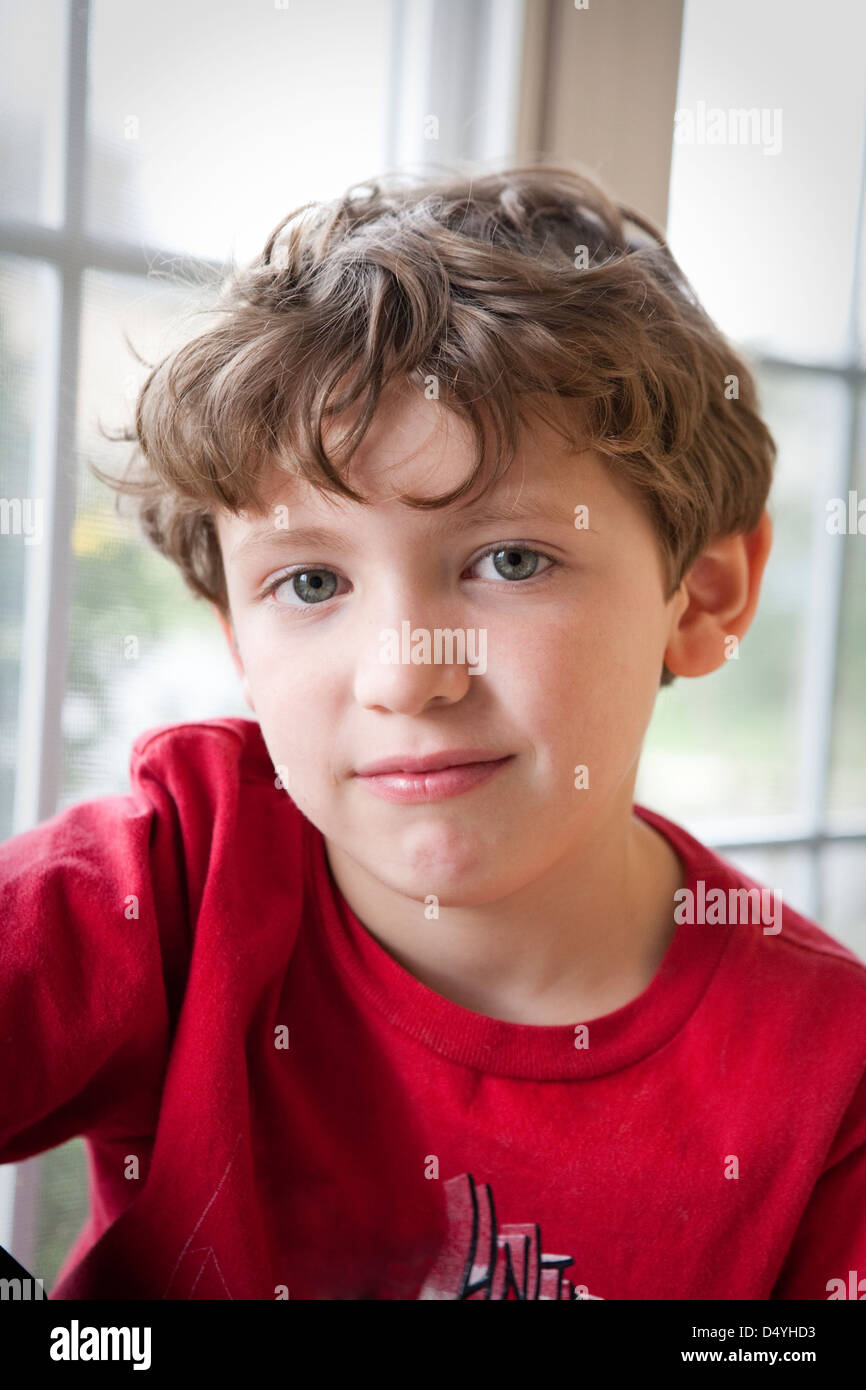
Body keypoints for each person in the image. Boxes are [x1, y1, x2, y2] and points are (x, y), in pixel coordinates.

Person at [1, 165, 864, 1301]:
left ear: (700, 597)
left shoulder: (831, 1078)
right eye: (309, 581)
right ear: (237, 642)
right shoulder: (166, 878)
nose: (407, 676)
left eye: (509, 560)